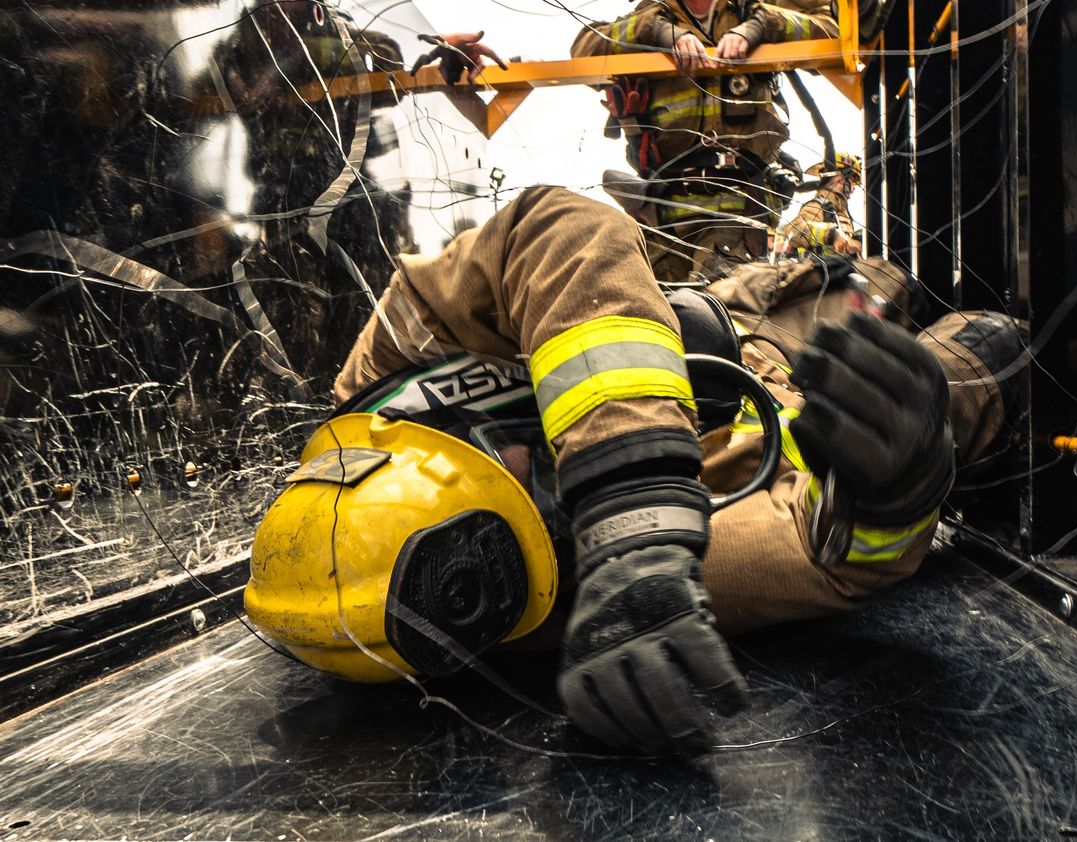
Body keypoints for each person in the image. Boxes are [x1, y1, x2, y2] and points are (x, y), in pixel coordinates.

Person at [247, 185, 1026, 755]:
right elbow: (827, 559)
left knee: (868, 283)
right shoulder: (582, 601)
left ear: (447, 419)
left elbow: (558, 227)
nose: (549, 513)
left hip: (720, 324)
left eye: (515, 483)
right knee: (990, 350)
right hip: (781, 419)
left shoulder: (392, 366)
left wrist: (626, 509)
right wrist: (894, 490)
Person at [569, 0, 906, 282]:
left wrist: (760, 26)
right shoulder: (651, 15)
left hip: (740, 215)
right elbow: (584, 49)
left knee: (722, 317)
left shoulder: (761, 1)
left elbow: (835, 28)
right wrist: (658, 32)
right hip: (664, 220)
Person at [778, 150, 863, 257]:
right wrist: (831, 235)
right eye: (852, 180)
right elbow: (793, 230)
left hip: (839, 270)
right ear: (840, 178)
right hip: (817, 270)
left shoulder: (842, 211)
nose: (853, 188)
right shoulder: (818, 206)